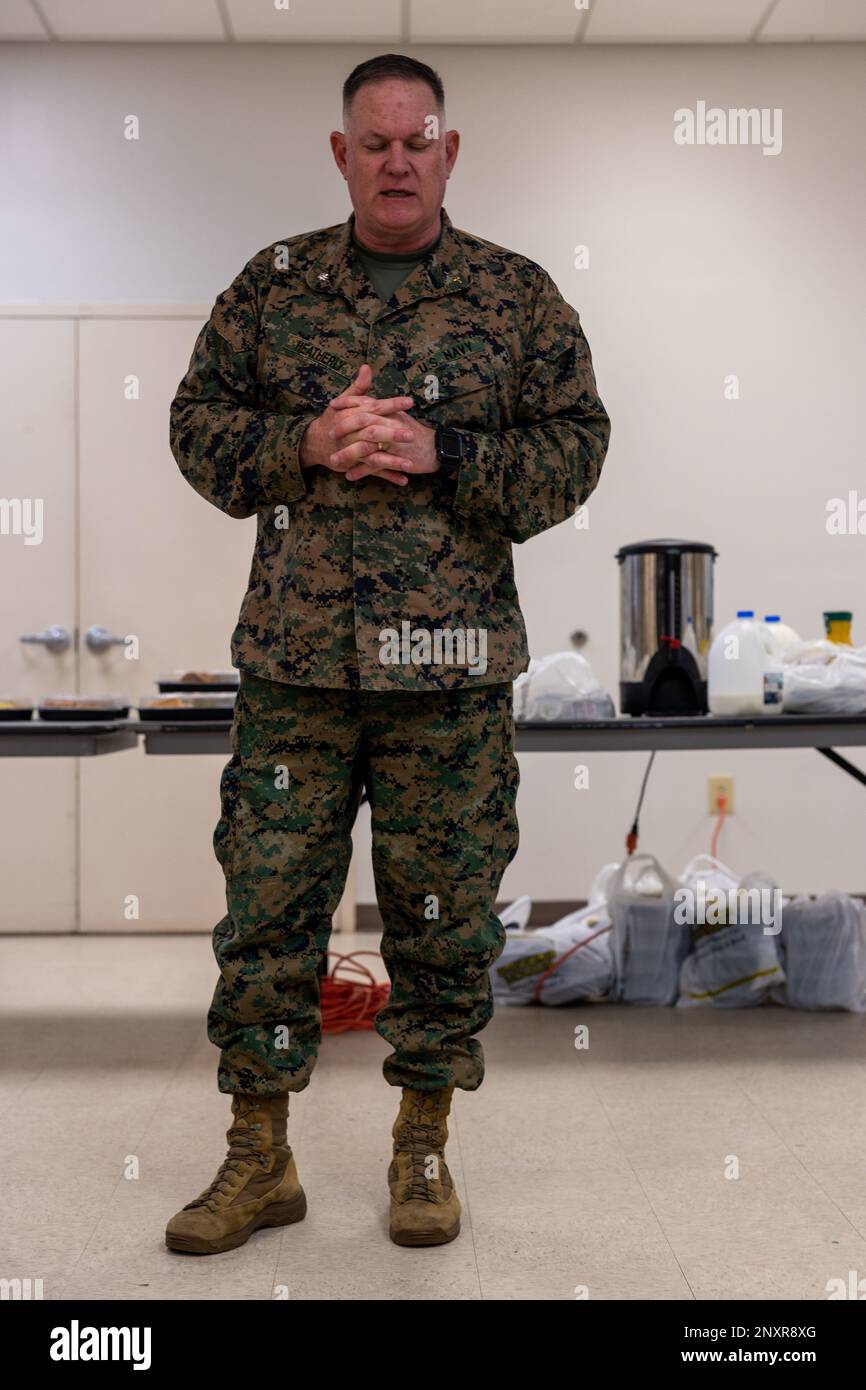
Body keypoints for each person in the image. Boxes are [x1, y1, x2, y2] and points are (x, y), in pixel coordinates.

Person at [166, 52, 611, 1255]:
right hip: (297, 669)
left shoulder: (513, 296)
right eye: (375, 142)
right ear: (341, 154)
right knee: (267, 914)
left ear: (448, 152)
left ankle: (421, 1144)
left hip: (450, 672)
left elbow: (576, 449)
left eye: (419, 140)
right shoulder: (273, 284)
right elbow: (195, 428)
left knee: (442, 918)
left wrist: (445, 457)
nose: (398, 159)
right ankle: (259, 1156)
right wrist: (305, 440)